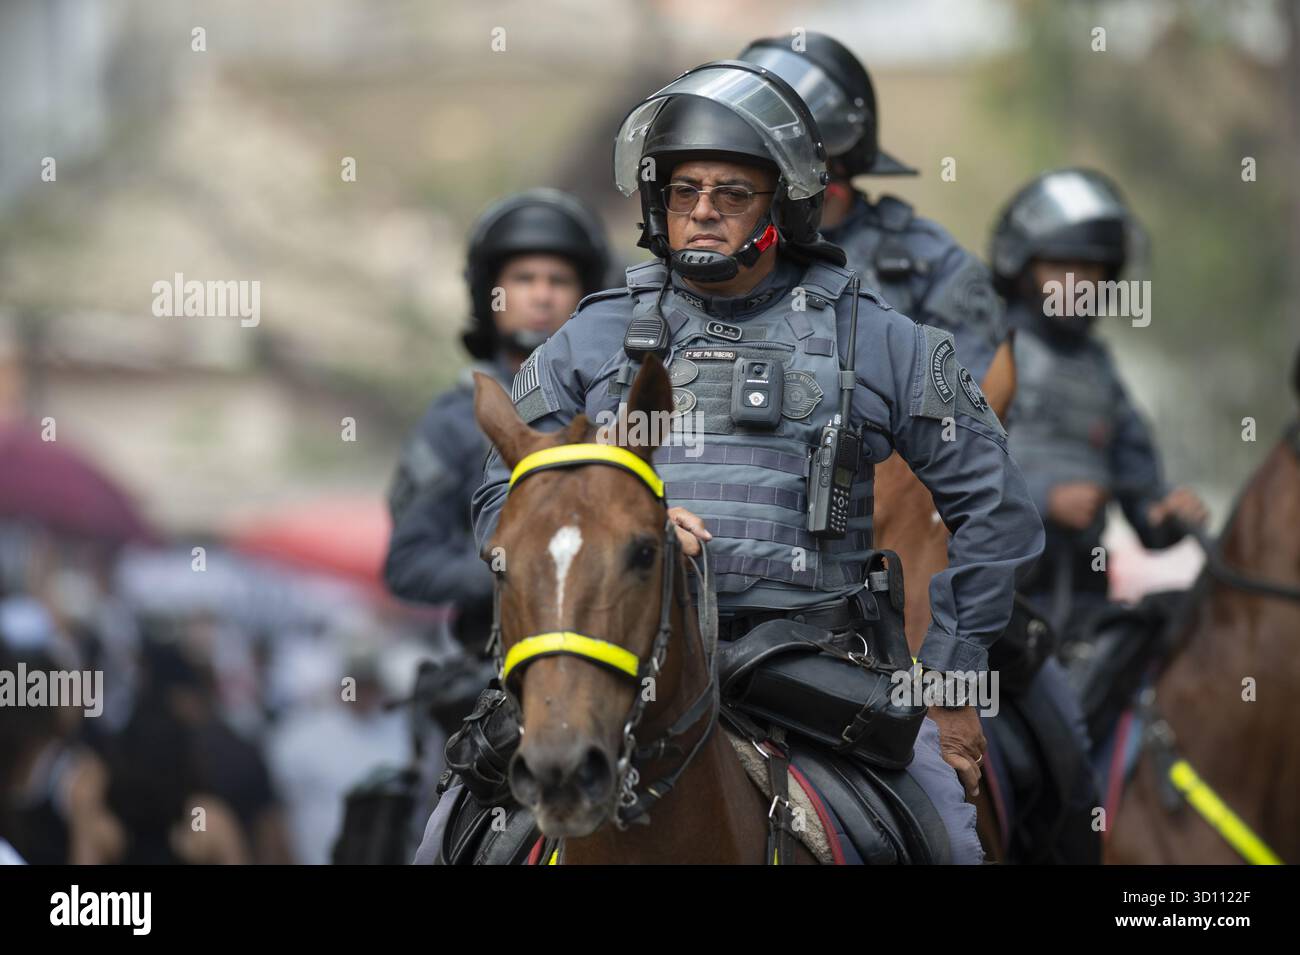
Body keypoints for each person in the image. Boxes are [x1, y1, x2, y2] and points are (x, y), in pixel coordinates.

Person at [421, 61, 1046, 865]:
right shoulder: (588, 340)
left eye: (731, 192)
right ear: (659, 206)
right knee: (448, 833)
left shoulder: (882, 341)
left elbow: (995, 510)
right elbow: (500, 503)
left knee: (953, 844)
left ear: (781, 202)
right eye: (684, 193)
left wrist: (954, 682)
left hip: (821, 674)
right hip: (612, 664)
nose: (704, 211)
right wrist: (622, 522)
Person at [383, 189, 611, 655]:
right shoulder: (454, 420)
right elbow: (408, 564)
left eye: (559, 280)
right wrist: (520, 566)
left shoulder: (619, 402)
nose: (542, 295)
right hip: (495, 666)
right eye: (524, 278)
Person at [990, 168, 1208, 639]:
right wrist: (1044, 498)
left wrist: (1163, 515)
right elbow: (936, 469)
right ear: (1021, 266)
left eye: (1093, 271)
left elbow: (1140, 492)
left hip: (1082, 608)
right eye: (1064, 267)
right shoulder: (983, 345)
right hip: (986, 598)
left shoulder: (1102, 373)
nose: (1080, 284)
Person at [737, 33, 1009, 390]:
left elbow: (971, 411)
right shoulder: (721, 249)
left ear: (838, 159)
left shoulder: (927, 262)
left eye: (790, 152)